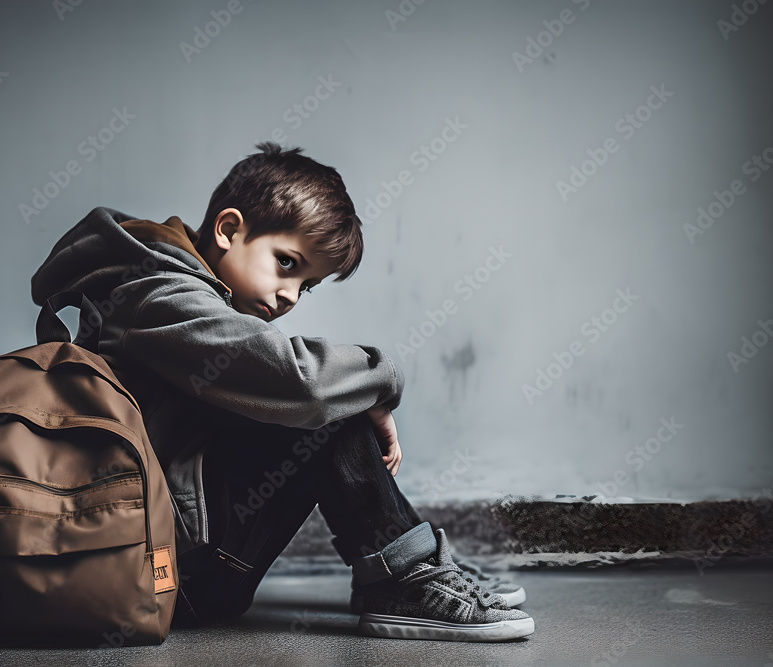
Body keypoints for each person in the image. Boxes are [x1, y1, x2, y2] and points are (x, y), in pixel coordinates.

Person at [30, 142, 534, 642]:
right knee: (325, 410)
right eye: (288, 264)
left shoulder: (172, 290)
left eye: (308, 284)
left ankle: (399, 571)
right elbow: (304, 384)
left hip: (170, 557)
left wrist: (349, 394)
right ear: (229, 230)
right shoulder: (159, 298)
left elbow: (296, 387)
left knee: (321, 402)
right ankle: (402, 579)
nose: (291, 295)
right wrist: (383, 381)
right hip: (164, 583)